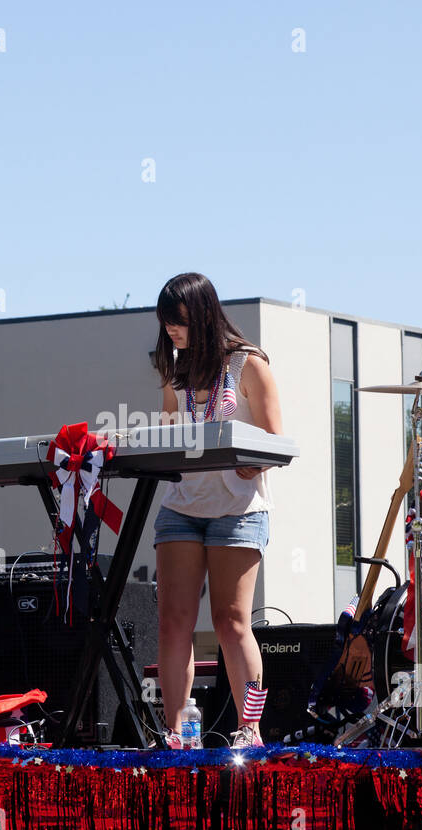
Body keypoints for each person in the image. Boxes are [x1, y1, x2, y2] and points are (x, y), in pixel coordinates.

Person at [152, 273, 284, 749]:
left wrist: (253, 460)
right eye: (166, 322)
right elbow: (168, 435)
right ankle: (175, 734)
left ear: (203, 315)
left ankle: (250, 730)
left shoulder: (248, 364)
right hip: (180, 507)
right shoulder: (174, 368)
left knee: (231, 621)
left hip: (239, 509)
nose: (171, 331)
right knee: (173, 620)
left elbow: (276, 441)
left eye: (179, 321)